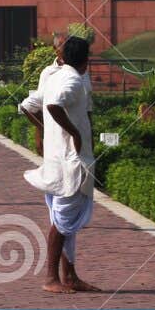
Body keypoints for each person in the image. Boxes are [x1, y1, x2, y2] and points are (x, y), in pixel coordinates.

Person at [21, 36, 97, 293]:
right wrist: (73, 133)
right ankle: (51, 278)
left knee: (65, 224)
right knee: (62, 223)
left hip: (59, 160)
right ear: (87, 60)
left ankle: (70, 275)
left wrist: (46, 130)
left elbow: (29, 105)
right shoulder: (73, 79)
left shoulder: (55, 75)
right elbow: (53, 105)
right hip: (69, 163)